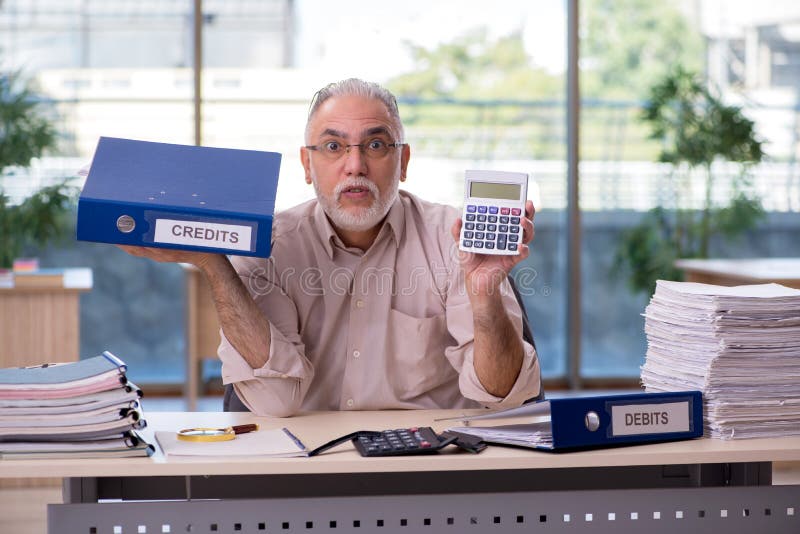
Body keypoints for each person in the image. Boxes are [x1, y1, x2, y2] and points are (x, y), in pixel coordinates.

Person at [122, 78, 541, 416]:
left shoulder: (455, 241)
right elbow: (273, 400)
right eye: (333, 146)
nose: (355, 165)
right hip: (304, 480)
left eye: (376, 145)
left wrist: (483, 294)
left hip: (432, 475)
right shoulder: (269, 247)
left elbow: (501, 394)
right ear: (307, 165)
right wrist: (214, 263)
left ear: (404, 162)